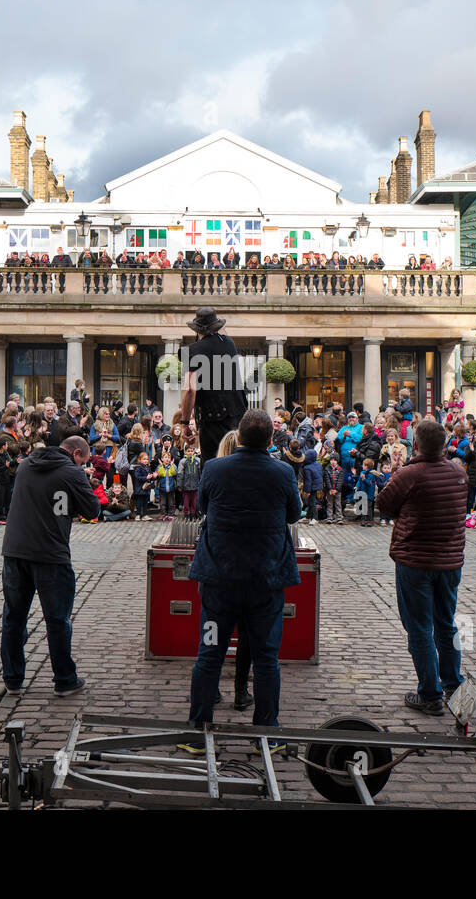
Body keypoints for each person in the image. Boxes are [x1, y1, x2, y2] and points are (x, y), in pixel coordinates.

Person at [185, 410, 301, 732]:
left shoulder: (214, 468)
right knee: (266, 659)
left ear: (239, 433)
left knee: (209, 654)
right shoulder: (282, 472)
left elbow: (204, 508)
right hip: (266, 580)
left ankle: (198, 729)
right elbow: (294, 515)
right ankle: (266, 731)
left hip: (219, 580)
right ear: (269, 440)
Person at [376, 419, 468, 715]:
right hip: (450, 560)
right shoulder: (457, 472)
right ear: (444, 445)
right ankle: (453, 683)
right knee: (446, 623)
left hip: (416, 560)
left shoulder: (409, 474)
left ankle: (430, 693)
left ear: (415, 445)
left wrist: (394, 474)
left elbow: (385, 506)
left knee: (418, 627)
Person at [0, 435, 98, 699]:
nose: (83, 465)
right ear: (77, 453)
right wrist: (81, 483)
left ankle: (12, 678)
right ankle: (65, 680)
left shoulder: (26, 464)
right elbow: (92, 510)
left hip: (15, 550)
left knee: (13, 617)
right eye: (83, 461)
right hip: (51, 555)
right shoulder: (72, 473)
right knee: (57, 620)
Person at [179, 307, 249, 467]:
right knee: (236, 464)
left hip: (212, 420)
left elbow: (190, 389)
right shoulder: (229, 343)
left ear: (196, 329)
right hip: (237, 416)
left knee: (212, 467)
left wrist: (184, 423)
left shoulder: (192, 351)